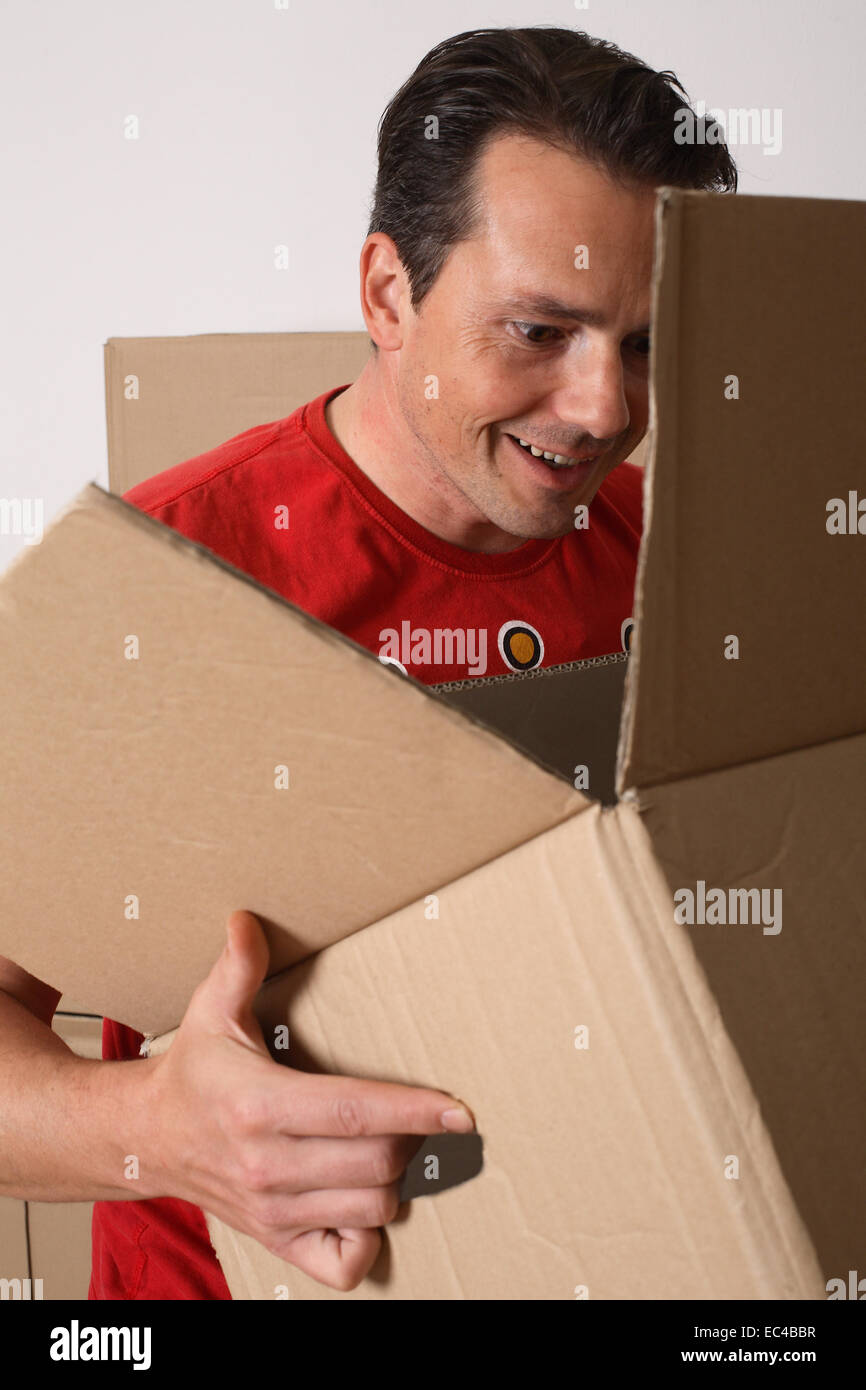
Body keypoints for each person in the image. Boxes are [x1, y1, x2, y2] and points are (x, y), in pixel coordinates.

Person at [0, 26, 736, 1300]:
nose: (604, 408)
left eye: (641, 344)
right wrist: (159, 1132)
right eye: (538, 331)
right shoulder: (163, 578)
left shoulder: (658, 572)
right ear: (390, 295)